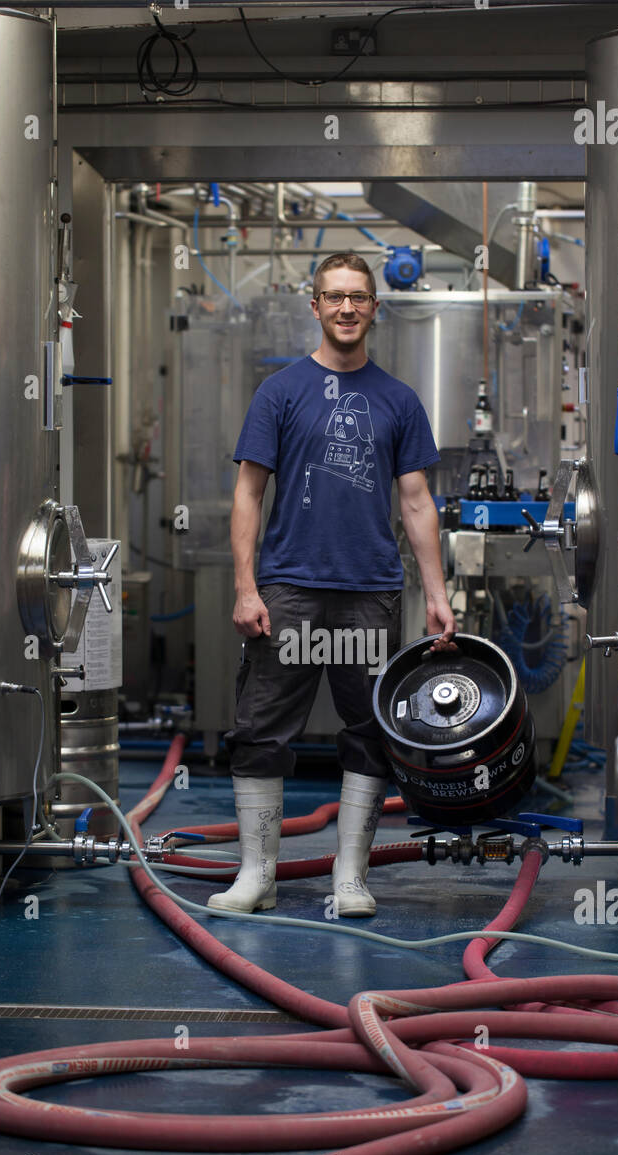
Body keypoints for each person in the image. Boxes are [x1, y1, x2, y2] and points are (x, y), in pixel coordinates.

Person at [208, 252, 456, 919]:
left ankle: (351, 878)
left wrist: (435, 594)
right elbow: (247, 493)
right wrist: (245, 587)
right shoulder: (280, 393)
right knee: (261, 731)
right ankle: (256, 874)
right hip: (289, 591)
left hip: (369, 594)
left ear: (375, 307)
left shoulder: (398, 400)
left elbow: (416, 502)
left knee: (369, 731)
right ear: (312, 306)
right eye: (334, 297)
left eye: (359, 297)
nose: (347, 308)